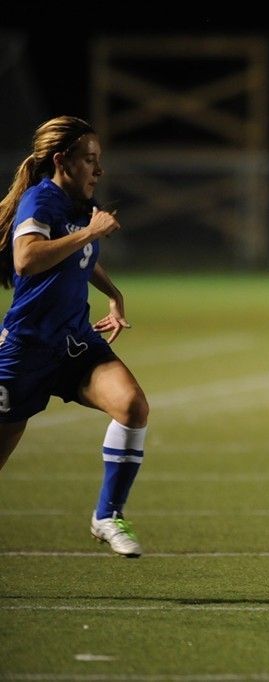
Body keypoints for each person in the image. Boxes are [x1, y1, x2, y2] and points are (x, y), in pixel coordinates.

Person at [0, 115, 150, 557]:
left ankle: (107, 515)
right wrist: (91, 230)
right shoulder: (39, 201)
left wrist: (114, 294)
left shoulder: (81, 205)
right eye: (90, 160)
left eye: (98, 160)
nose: (98, 170)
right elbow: (26, 260)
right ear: (62, 160)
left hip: (75, 343)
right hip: (26, 351)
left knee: (133, 406)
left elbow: (79, 255)